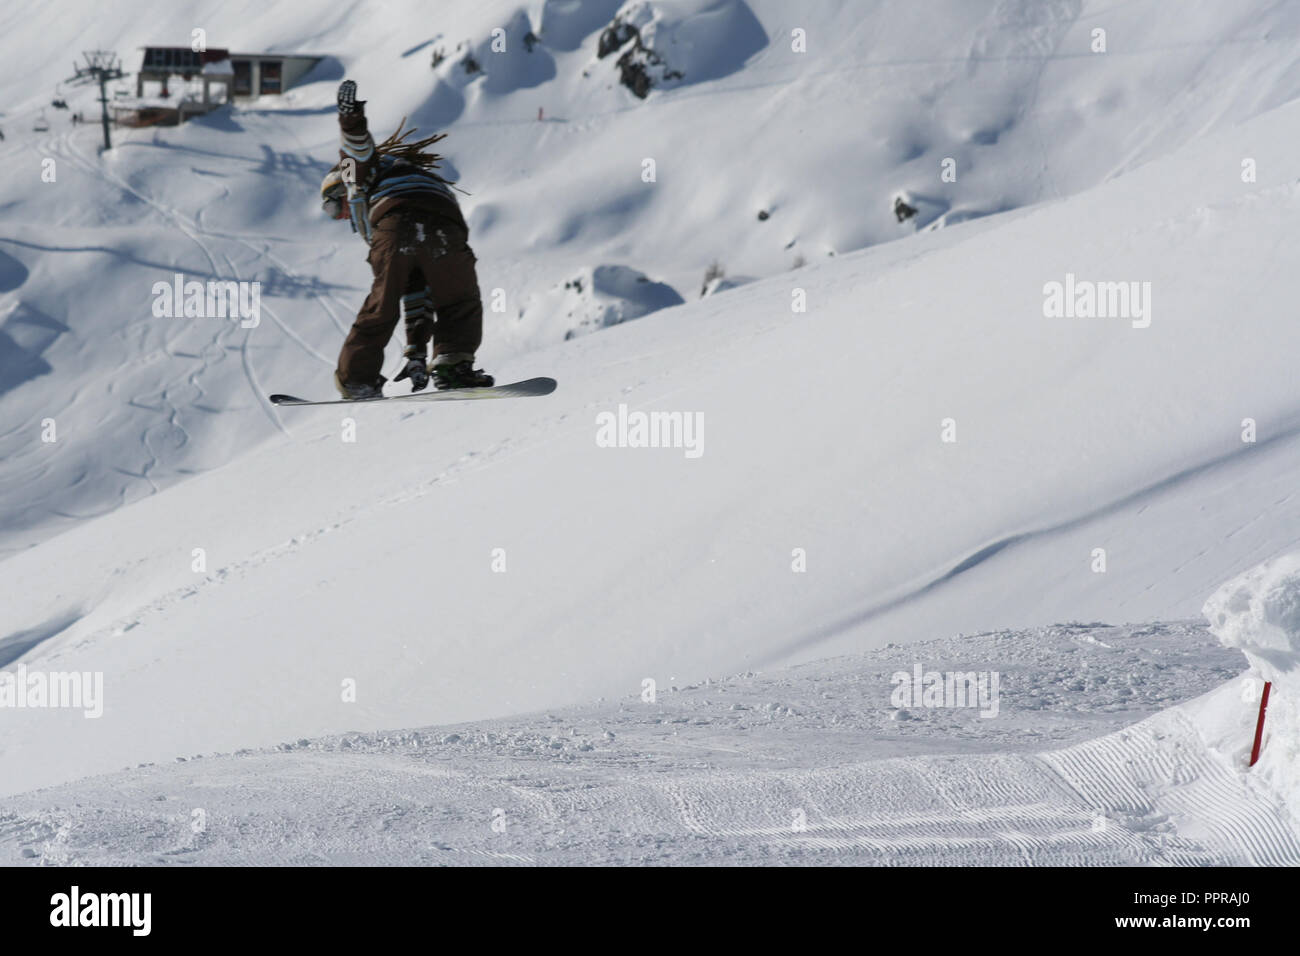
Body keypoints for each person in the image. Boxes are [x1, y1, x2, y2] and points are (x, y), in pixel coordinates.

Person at [321, 80, 492, 399]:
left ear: (342, 186)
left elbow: (357, 150)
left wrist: (350, 118)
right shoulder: (409, 172)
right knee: (459, 300)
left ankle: (357, 379)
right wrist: (416, 352)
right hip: (446, 227)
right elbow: (418, 289)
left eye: (333, 204)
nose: (340, 215)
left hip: (396, 222)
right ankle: (452, 365)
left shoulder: (358, 177)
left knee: (380, 307)